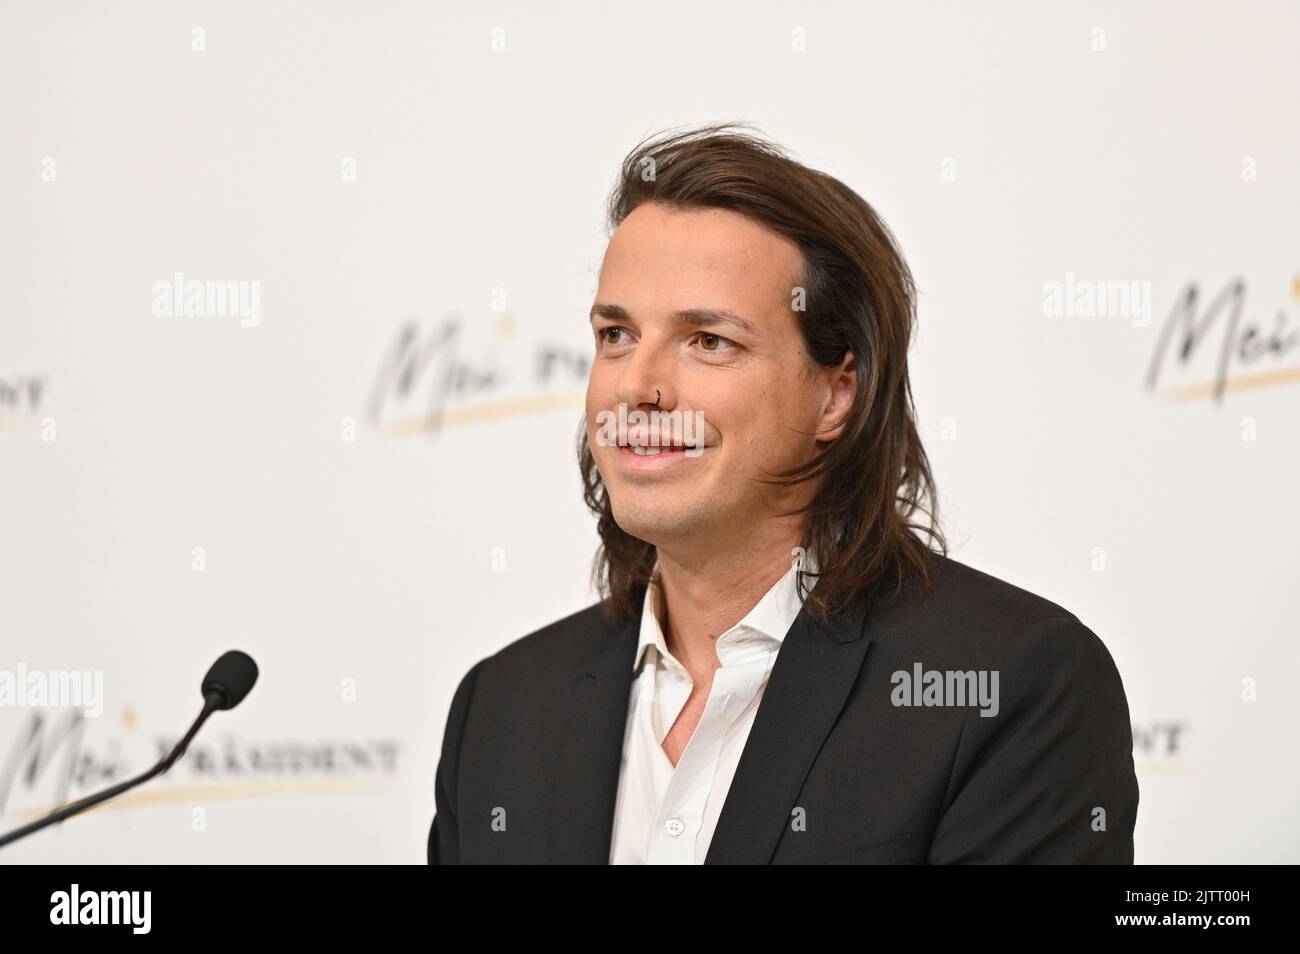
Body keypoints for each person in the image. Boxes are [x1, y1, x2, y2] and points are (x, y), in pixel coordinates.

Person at [428, 123, 1138, 864]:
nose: (636, 385)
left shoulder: (1008, 684)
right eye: (616, 334)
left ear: (837, 394)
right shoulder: (500, 709)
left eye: (709, 340)